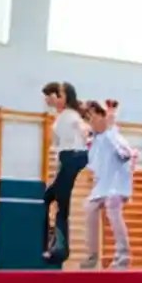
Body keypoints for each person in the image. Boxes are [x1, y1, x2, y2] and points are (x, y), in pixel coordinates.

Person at [80, 99, 136, 269]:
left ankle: (123, 256)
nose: (90, 122)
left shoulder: (113, 135)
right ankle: (92, 255)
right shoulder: (95, 139)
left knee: (113, 210)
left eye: (92, 117)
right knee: (89, 207)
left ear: (100, 116)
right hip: (103, 183)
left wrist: (126, 154)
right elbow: (92, 162)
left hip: (117, 183)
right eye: (87, 119)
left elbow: (126, 154)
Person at [41, 81, 89, 264]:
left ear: (64, 98)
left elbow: (83, 128)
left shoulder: (70, 115)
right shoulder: (64, 116)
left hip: (72, 157)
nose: (49, 99)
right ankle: (53, 242)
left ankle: (59, 248)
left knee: (60, 204)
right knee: (50, 198)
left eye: (54, 95)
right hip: (68, 158)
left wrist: (87, 135)